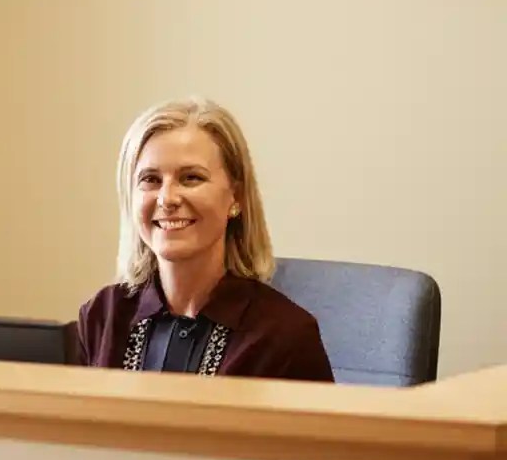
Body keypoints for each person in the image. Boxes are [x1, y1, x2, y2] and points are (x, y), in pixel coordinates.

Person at [75, 97, 333, 382]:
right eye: (150, 179)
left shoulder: (286, 336)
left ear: (236, 197)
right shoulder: (103, 315)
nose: (167, 198)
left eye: (191, 178)